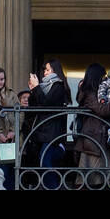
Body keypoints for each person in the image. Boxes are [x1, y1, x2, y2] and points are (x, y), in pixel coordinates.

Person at [26, 58, 71, 187]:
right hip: (42, 133)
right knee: (44, 162)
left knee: (44, 162)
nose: (45, 73)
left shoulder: (58, 86)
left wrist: (37, 88)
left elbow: (46, 103)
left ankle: (53, 186)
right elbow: (34, 106)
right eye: (44, 70)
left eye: (47, 70)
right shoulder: (43, 87)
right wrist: (33, 90)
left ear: (55, 70)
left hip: (52, 133)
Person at [0, 67, 17, 190]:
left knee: (11, 173)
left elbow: (20, 114)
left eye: (2, 79)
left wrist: (13, 130)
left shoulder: (12, 94)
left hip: (11, 140)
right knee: (2, 172)